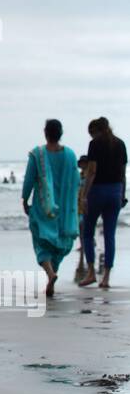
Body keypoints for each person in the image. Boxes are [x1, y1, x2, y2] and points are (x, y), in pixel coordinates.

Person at [22, 119, 79, 297]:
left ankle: (50, 274)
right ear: (60, 133)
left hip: (43, 207)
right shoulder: (70, 155)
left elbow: (29, 179)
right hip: (64, 208)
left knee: (41, 241)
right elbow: (76, 180)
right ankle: (51, 278)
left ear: (45, 133)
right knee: (58, 243)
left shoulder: (37, 154)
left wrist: (24, 199)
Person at [79, 117, 127, 288]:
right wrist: (122, 195)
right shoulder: (120, 144)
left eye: (91, 133)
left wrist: (84, 195)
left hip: (97, 191)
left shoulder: (95, 144)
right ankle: (106, 278)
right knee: (109, 235)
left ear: (96, 131)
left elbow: (91, 171)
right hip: (115, 192)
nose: (91, 137)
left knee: (87, 231)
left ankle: (91, 272)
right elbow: (123, 174)